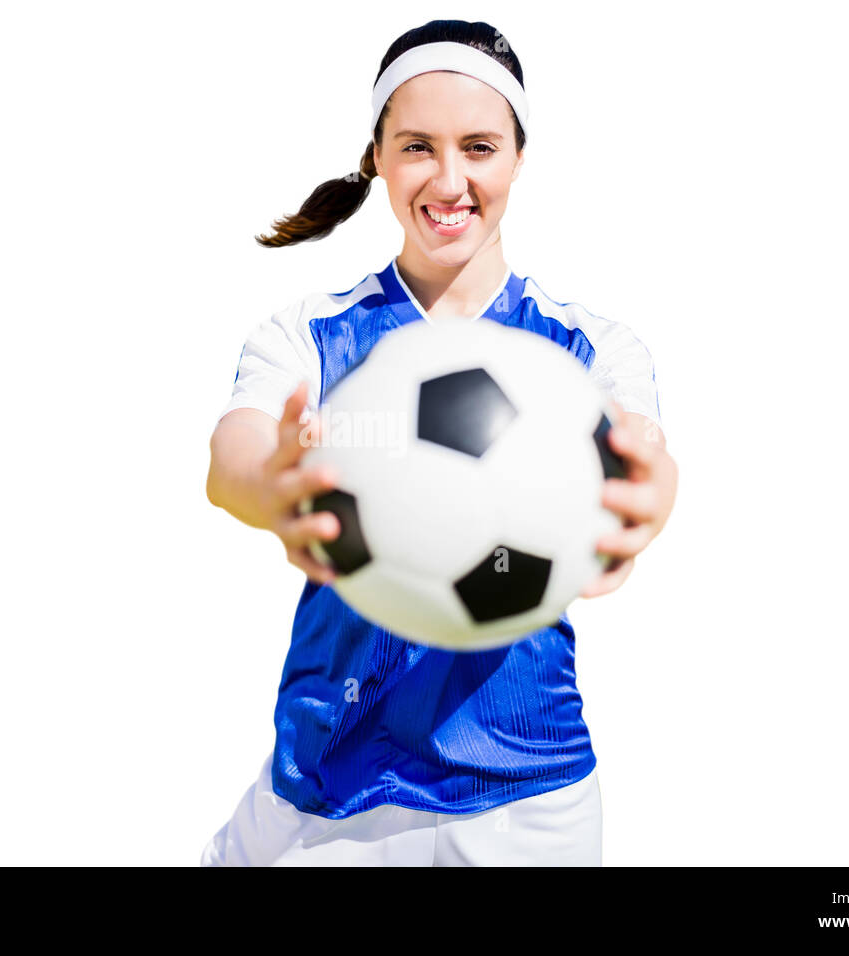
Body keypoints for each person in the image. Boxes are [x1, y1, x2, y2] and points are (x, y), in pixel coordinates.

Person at [202, 19, 678, 866]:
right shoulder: (311, 337)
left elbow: (642, 455)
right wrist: (268, 488)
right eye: (417, 146)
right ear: (377, 157)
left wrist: (645, 507)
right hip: (326, 787)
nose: (449, 179)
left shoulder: (586, 351)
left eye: (480, 147)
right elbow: (232, 456)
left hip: (525, 799)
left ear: (520, 158)